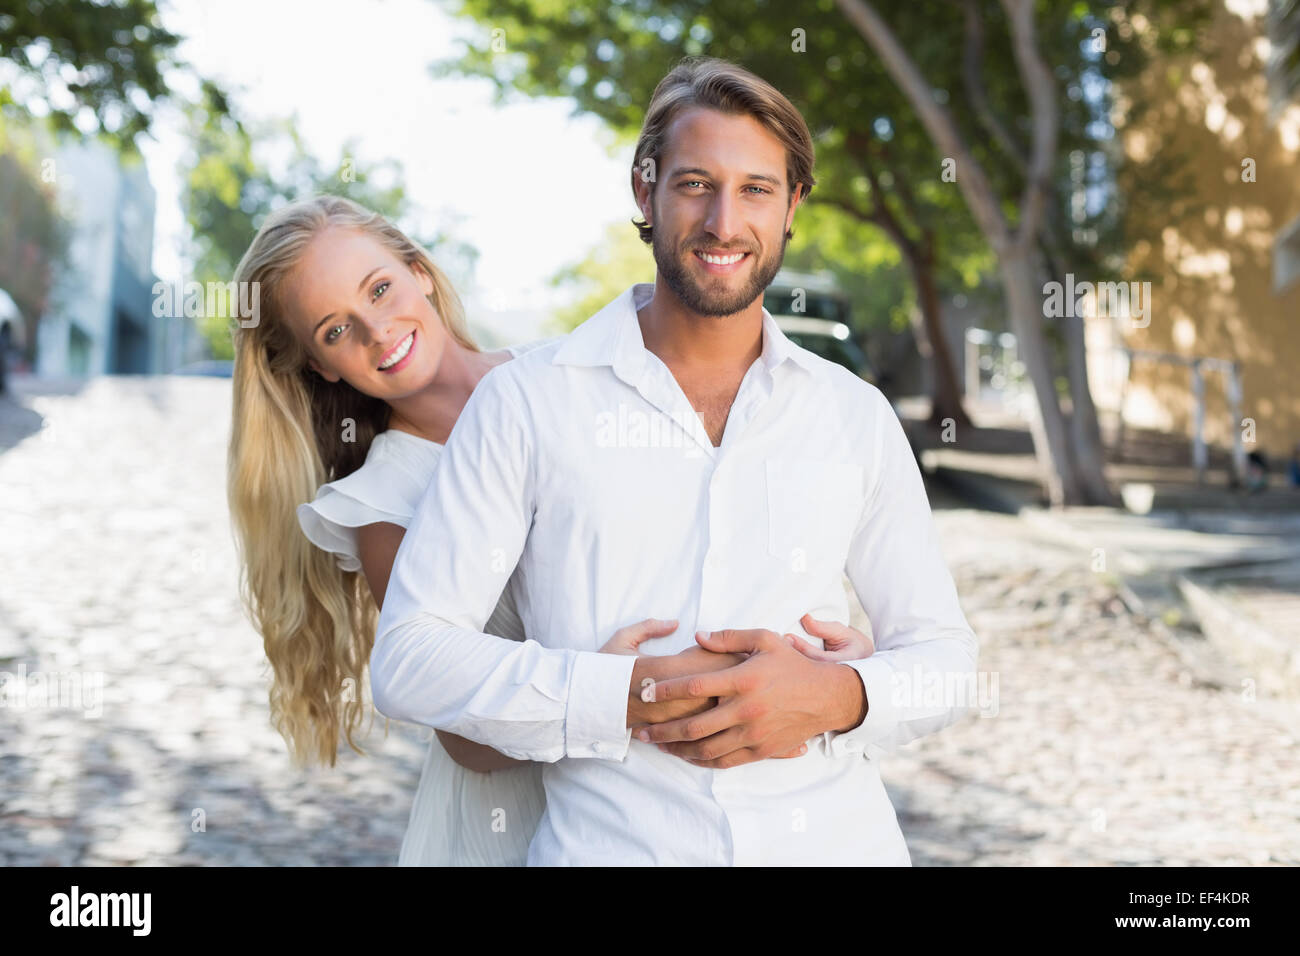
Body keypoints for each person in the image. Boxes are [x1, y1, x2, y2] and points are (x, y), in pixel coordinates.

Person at [372, 57, 979, 866]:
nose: (725, 222)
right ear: (644, 191)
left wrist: (839, 695)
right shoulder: (526, 404)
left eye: (757, 189)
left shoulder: (852, 416)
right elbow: (410, 659)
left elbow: (950, 661)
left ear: (793, 205)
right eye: (696, 183)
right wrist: (620, 697)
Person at [226, 194, 871, 865]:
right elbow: (463, 739)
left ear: (419, 272)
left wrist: (822, 650)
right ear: (321, 366)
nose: (378, 330)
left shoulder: (569, 377)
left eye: (381, 289)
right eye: (335, 331)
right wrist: (602, 690)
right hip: (529, 816)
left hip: (669, 801)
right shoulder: (385, 505)